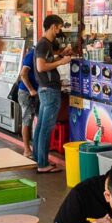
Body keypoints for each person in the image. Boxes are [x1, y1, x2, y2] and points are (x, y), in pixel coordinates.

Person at [34, 15, 71, 173]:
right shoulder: (43, 44)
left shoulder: (46, 44)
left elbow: (48, 61)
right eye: (59, 27)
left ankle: (38, 159)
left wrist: (61, 55)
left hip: (45, 90)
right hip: (49, 90)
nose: (59, 31)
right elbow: (41, 67)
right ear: (53, 27)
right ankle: (43, 164)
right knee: (46, 128)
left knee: (41, 126)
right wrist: (61, 62)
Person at [18, 45, 39, 159]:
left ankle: (36, 147)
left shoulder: (39, 54)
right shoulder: (31, 55)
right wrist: (31, 89)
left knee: (35, 119)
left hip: (35, 92)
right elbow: (23, 74)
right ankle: (26, 149)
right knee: (27, 120)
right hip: (26, 93)